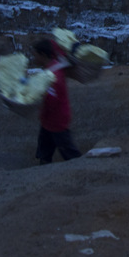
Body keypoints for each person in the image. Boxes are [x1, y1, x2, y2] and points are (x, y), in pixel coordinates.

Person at [32, 36, 82, 164]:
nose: (33, 58)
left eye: (35, 54)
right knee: (45, 150)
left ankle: (82, 168)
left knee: (69, 152)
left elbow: (51, 101)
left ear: (42, 55)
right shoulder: (55, 64)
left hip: (56, 121)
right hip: (49, 121)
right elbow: (54, 45)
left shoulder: (53, 76)